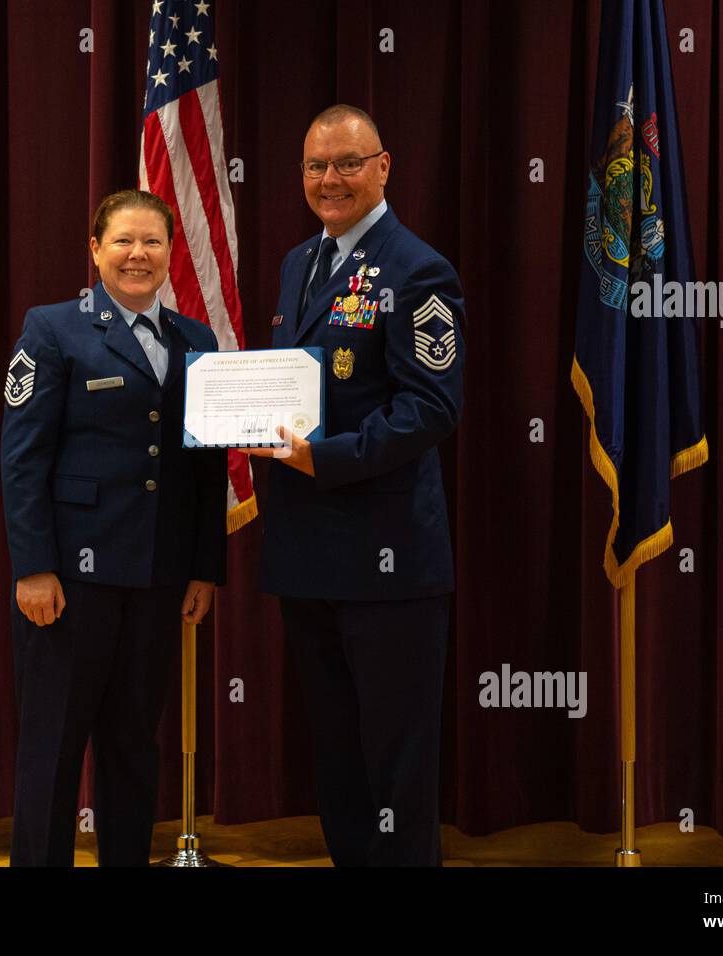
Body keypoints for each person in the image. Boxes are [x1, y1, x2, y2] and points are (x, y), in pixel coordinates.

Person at [243, 104, 465, 866]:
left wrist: (325, 457)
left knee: (397, 764)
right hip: (308, 554)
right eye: (314, 166)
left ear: (383, 166)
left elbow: (432, 408)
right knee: (335, 757)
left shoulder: (419, 270)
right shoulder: (299, 263)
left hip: (389, 560)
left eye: (345, 163)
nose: (328, 179)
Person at [0, 189, 227, 866]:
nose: (138, 255)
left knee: (134, 746)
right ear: (95, 249)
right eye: (123, 241)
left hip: (157, 578)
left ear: (170, 252)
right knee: (54, 749)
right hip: (70, 582)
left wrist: (203, 566)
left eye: (152, 242)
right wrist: (33, 566)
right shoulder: (52, 330)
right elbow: (22, 458)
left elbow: (205, 467)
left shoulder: (197, 340)